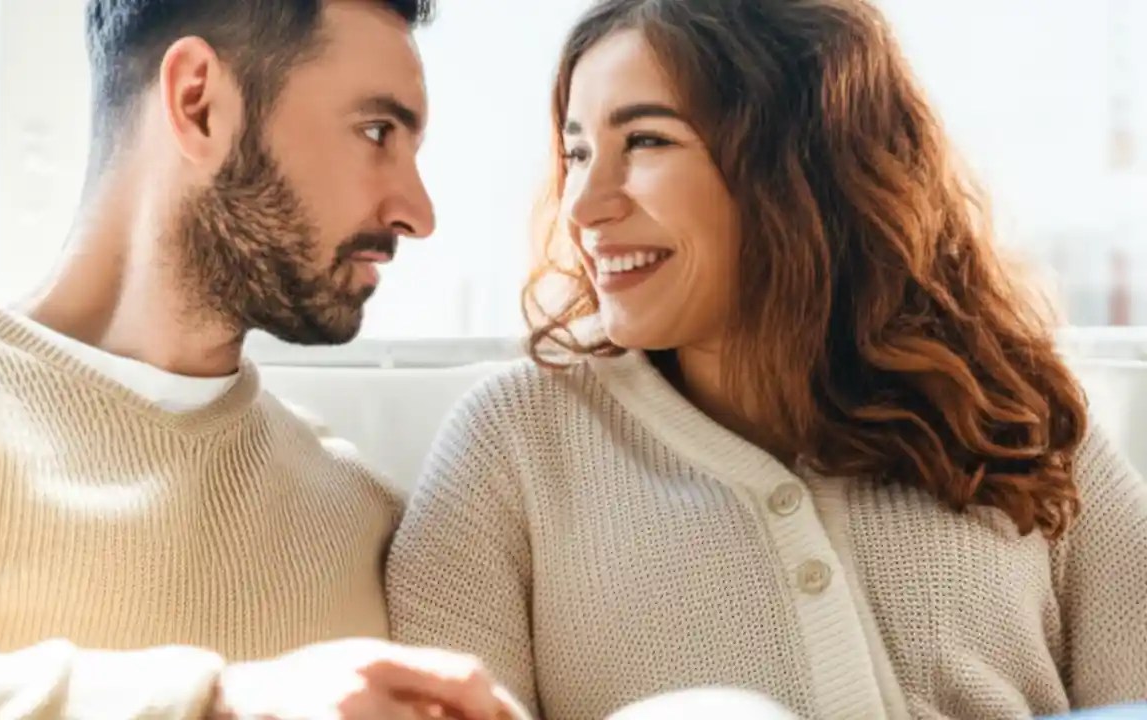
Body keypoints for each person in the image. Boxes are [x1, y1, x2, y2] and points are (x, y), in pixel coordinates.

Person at [385, 0, 1147, 718]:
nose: (584, 206)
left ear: (805, 165)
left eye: (646, 141)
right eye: (577, 151)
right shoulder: (510, 446)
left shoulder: (1026, 419)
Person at [0, 0, 519, 718]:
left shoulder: (367, 518)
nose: (417, 213)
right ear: (198, 103)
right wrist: (223, 703)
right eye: (375, 132)